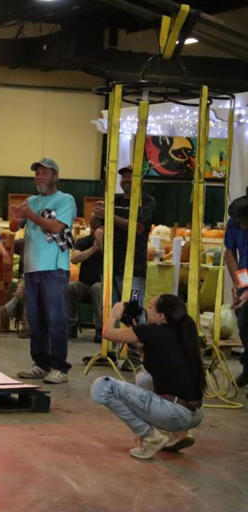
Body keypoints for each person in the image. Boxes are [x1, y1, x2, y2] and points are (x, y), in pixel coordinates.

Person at [91, 294, 205, 460]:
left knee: (102, 386)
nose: (147, 309)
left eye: (150, 307)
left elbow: (107, 333)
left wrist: (114, 315)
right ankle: (180, 433)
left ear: (161, 316)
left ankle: (150, 436)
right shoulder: (183, 332)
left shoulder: (151, 332)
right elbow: (153, 365)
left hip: (174, 414)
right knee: (143, 378)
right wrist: (139, 339)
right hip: (194, 414)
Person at [11, 158, 76, 384]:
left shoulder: (65, 200)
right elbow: (16, 226)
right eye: (37, 173)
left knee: (55, 318)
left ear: (55, 176)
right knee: (35, 319)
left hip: (54, 267)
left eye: (44, 173)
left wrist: (30, 216)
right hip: (31, 267)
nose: (39, 177)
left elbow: (58, 227)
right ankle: (40, 363)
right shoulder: (31, 201)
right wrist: (16, 219)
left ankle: (60, 367)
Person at [94, 165, 156, 367]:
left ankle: (135, 355)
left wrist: (108, 216)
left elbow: (137, 228)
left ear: (140, 180)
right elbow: (96, 220)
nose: (126, 180)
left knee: (133, 310)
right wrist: (97, 220)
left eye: (131, 176)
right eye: (124, 177)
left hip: (134, 269)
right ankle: (108, 351)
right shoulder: (116, 200)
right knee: (110, 309)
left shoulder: (147, 202)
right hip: (111, 265)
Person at [67, 216, 104, 343]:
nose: (97, 233)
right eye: (95, 230)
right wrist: (93, 249)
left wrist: (102, 245)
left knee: (97, 288)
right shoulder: (84, 241)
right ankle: (70, 326)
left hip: (104, 286)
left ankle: (100, 329)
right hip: (85, 284)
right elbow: (74, 258)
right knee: (70, 287)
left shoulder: (112, 244)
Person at [225, 195, 248, 387]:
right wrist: (238, 283)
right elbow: (230, 252)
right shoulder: (233, 224)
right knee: (244, 323)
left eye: (244, 222)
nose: (241, 227)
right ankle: (247, 369)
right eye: (237, 222)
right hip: (245, 275)